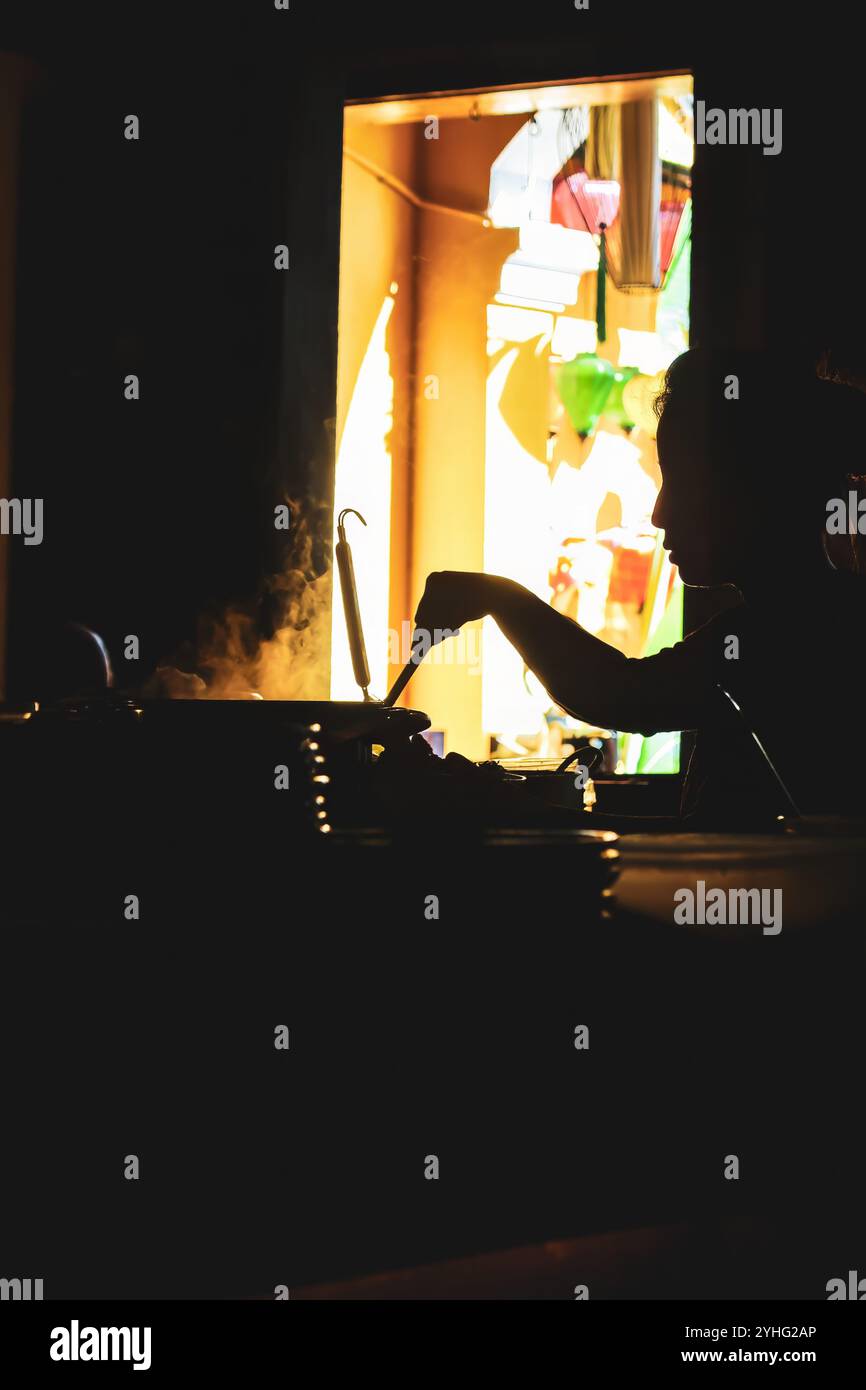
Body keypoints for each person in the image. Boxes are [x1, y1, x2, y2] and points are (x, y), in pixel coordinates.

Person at [413, 348, 866, 826]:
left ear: (756, 493)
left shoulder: (795, 630)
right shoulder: (806, 615)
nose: (659, 513)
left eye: (684, 484)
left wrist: (500, 597)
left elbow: (621, 695)